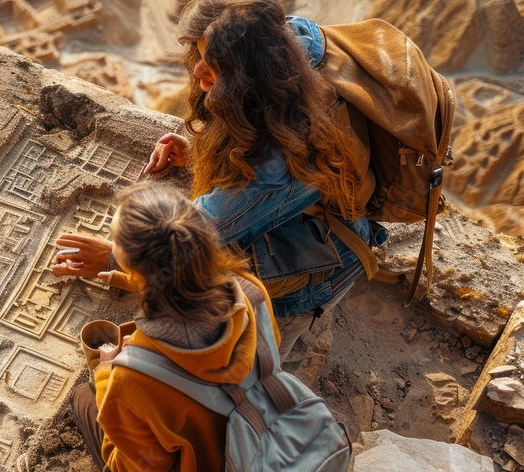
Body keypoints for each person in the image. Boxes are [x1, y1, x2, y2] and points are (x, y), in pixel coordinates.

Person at [53, 0, 377, 362]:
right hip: (303, 206)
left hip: (311, 267)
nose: (198, 70)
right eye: (203, 54)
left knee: (243, 369)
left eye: (219, 68)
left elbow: (188, 238)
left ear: (254, 76)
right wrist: (196, 154)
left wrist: (114, 257)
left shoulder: (273, 167)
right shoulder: (287, 44)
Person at [71, 183, 280, 472]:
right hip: (268, 454)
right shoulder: (248, 291)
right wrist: (123, 277)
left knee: (83, 399)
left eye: (114, 241)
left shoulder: (135, 376)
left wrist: (105, 374)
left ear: (136, 265)